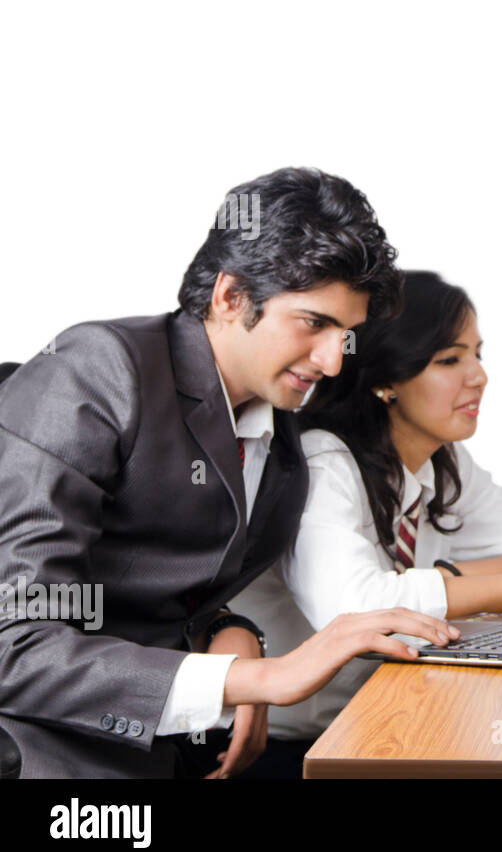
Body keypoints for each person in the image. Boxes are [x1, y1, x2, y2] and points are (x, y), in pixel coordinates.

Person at [0, 167, 458, 779]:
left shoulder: (285, 435)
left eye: (345, 334)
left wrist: (229, 628)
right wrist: (258, 677)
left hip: (180, 753)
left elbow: (157, 582)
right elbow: (13, 642)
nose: (331, 360)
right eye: (313, 323)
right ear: (230, 296)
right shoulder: (99, 371)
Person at [228, 270, 502, 770]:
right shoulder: (323, 460)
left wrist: (452, 579)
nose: (478, 375)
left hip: (375, 722)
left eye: (477, 354)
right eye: (449, 359)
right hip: (287, 750)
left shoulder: (443, 461)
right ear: (385, 380)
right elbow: (356, 614)